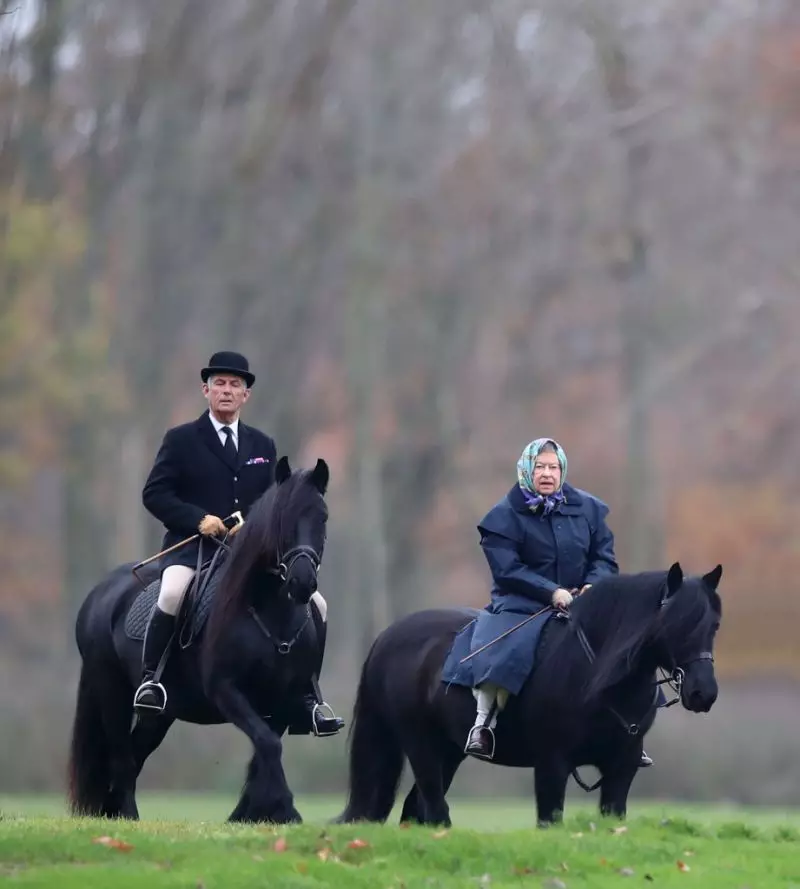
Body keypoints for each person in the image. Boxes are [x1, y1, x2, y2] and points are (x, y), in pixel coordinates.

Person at [132, 350, 343, 737]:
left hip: (246, 554)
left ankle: (309, 697)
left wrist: (253, 521)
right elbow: (155, 494)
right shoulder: (180, 440)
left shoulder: (262, 444)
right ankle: (153, 681)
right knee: (173, 593)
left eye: (235, 385)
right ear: (206, 390)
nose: (227, 391)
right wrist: (199, 519)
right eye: (220, 384)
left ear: (246, 395)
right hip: (191, 548)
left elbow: (272, 503)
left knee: (318, 604)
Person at [463, 437, 653, 768]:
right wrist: (551, 592)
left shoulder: (589, 509)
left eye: (554, 467)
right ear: (526, 470)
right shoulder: (502, 516)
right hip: (521, 603)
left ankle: (632, 736)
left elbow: (604, 556)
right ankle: (483, 725)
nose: (547, 474)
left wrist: (594, 585)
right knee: (505, 651)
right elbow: (507, 570)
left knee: (627, 648)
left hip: (583, 602)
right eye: (540, 467)